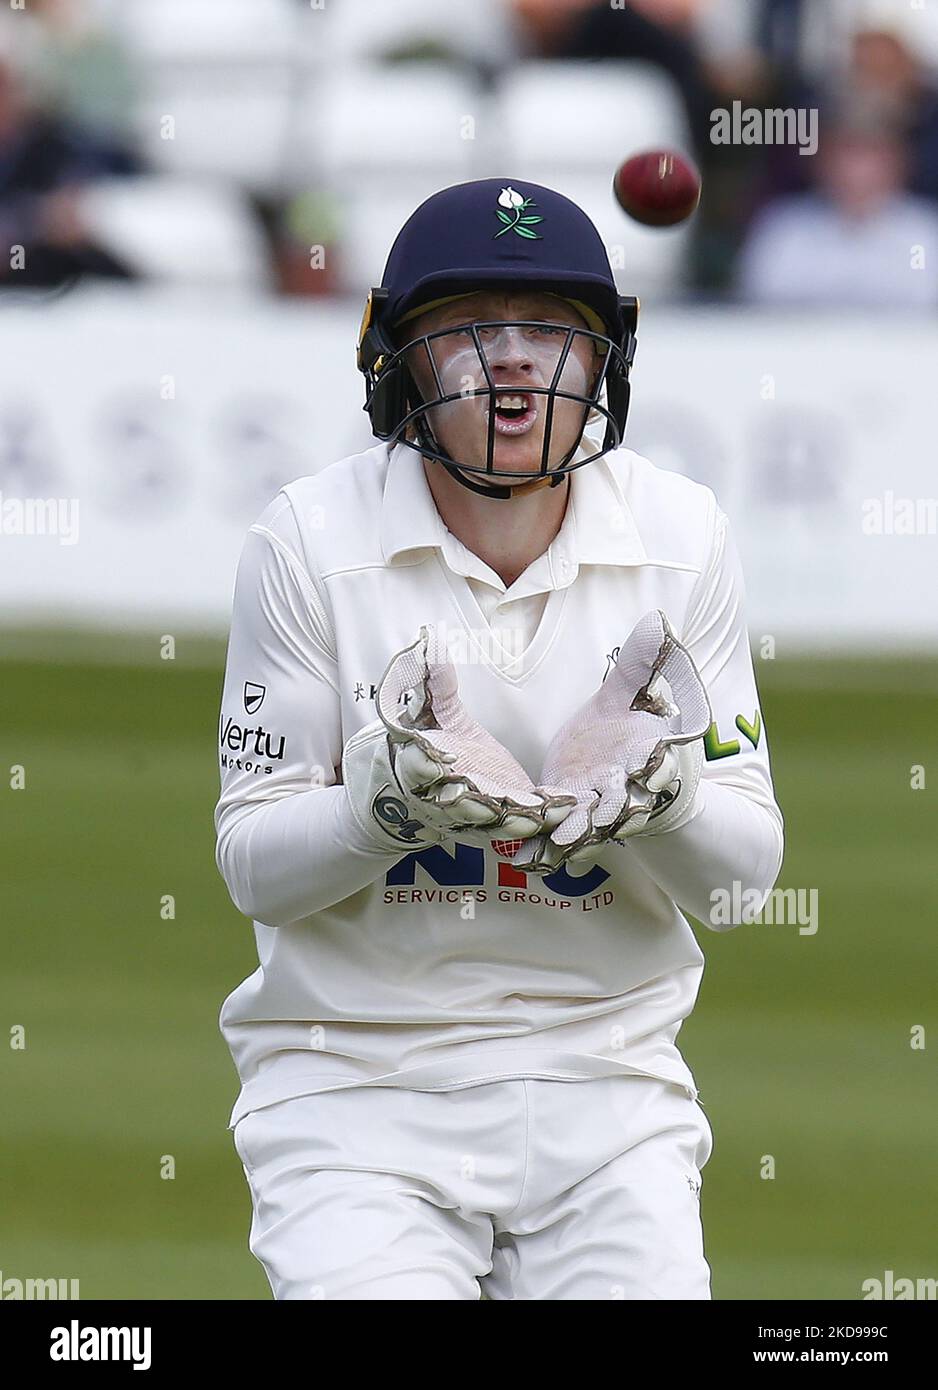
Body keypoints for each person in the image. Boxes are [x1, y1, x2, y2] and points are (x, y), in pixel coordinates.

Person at [215, 177, 784, 1301]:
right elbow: (252, 869)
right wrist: (385, 806)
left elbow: (743, 885)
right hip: (356, 1087)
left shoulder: (679, 536)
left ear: (604, 361)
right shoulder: (309, 540)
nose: (515, 360)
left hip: (610, 1089)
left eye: (550, 330)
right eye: (471, 327)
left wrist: (664, 796)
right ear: (400, 362)